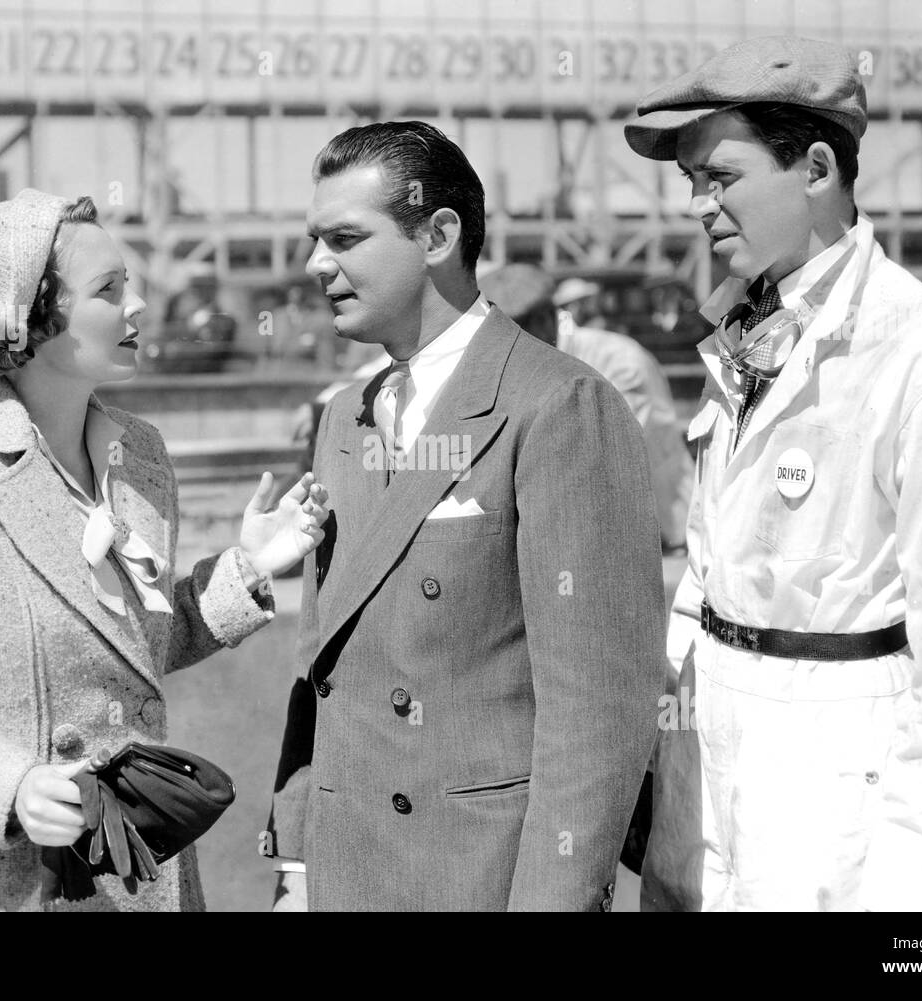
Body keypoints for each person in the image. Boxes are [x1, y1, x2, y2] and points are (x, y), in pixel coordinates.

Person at [0, 189, 330, 911]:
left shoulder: (141, 455)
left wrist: (245, 569)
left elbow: (129, 648)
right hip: (21, 888)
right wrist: (7, 783)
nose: (141, 304)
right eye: (111, 289)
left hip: (152, 879)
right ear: (29, 318)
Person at [623, 36, 922, 911]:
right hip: (703, 792)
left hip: (834, 815)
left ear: (813, 168)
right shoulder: (739, 338)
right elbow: (706, 573)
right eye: (691, 181)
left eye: (718, 176)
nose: (698, 205)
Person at [266, 121, 666, 911]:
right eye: (315, 239)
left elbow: (598, 709)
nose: (316, 266)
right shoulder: (346, 415)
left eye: (345, 238)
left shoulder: (558, 405)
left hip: (476, 874)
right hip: (346, 869)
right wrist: (296, 865)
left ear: (438, 234)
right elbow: (320, 668)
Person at [479, 263, 694, 551]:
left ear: (544, 320)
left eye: (506, 331)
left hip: (662, 537)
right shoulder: (527, 366)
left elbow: (605, 456)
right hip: (590, 539)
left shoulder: (617, 361)